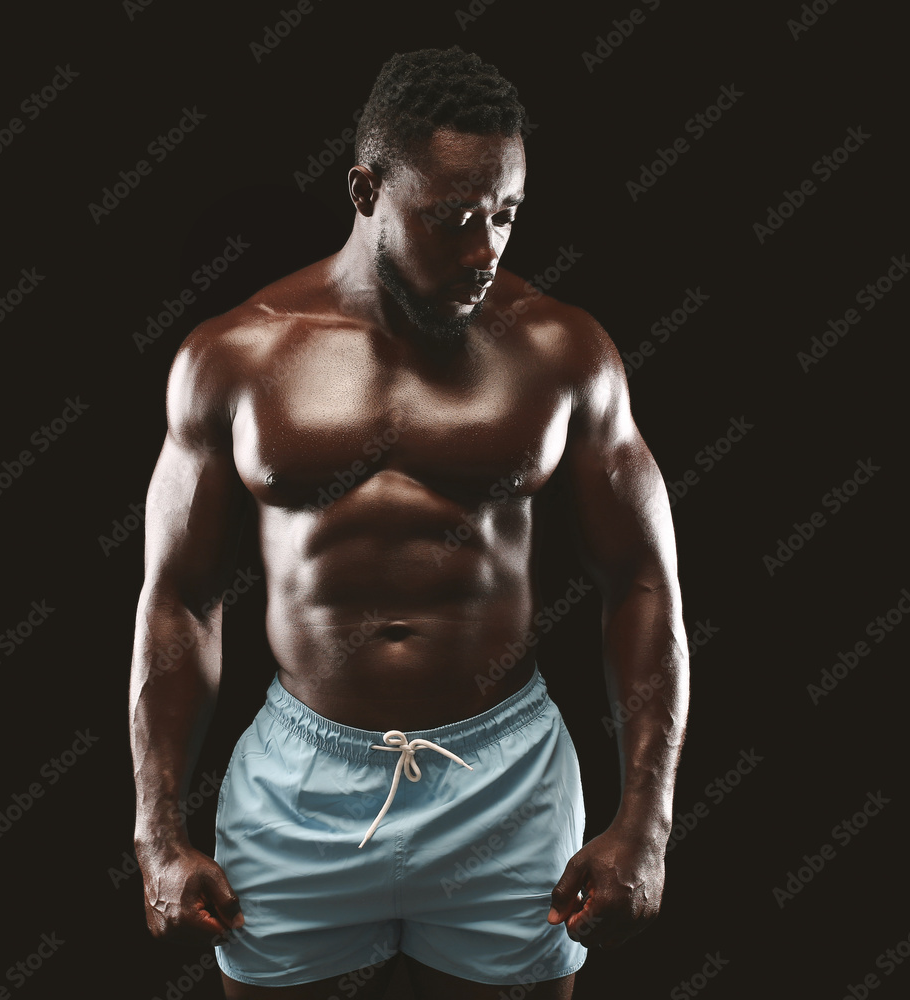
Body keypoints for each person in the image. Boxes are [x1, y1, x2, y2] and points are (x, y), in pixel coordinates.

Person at [129, 45, 689, 1000]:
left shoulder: (563, 353)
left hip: (506, 782)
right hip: (299, 784)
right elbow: (179, 597)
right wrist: (158, 831)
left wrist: (646, 824)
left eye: (506, 216)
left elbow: (642, 583)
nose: (485, 250)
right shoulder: (236, 357)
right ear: (365, 188)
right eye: (452, 219)